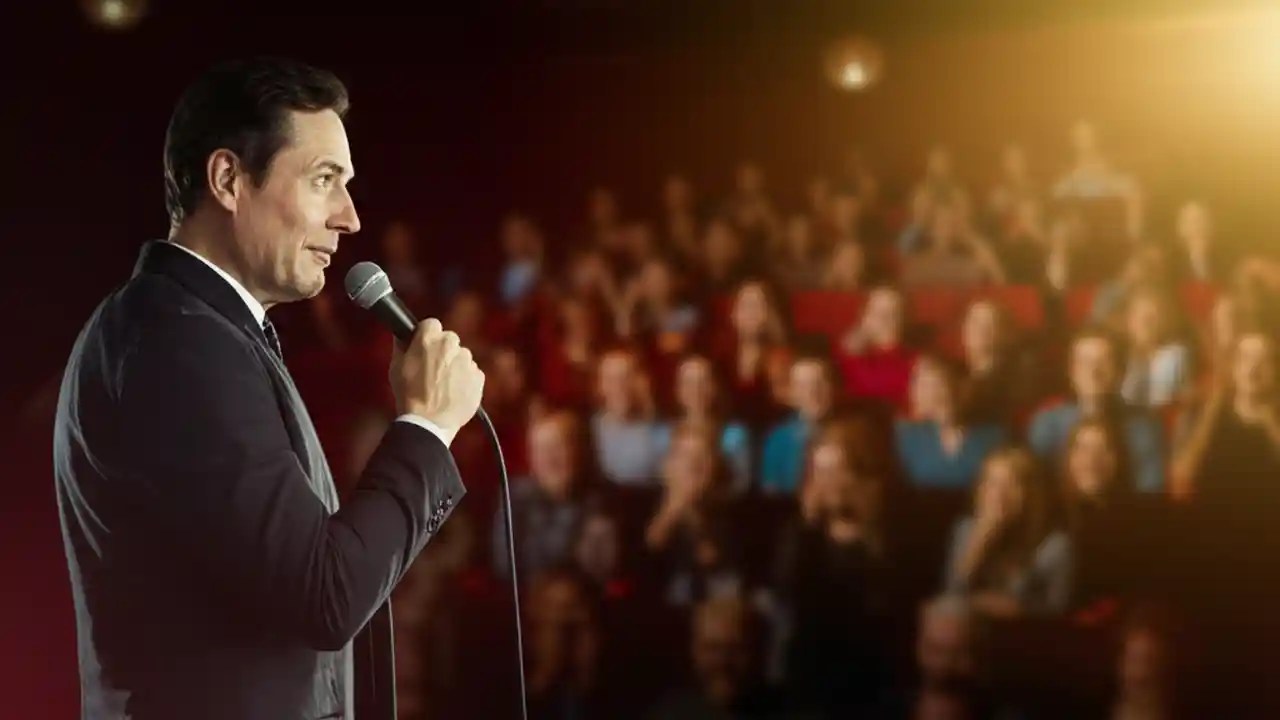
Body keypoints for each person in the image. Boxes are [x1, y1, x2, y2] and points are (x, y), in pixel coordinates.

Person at [51, 58, 485, 719]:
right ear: (228, 179)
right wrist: (426, 428)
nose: (350, 218)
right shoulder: (174, 340)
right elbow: (324, 594)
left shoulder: (202, 330)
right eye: (323, 181)